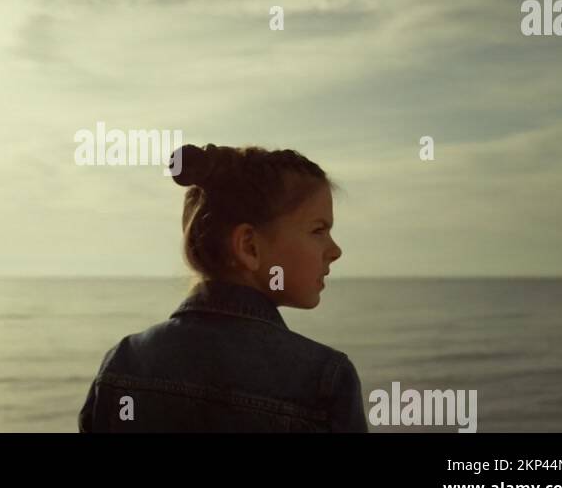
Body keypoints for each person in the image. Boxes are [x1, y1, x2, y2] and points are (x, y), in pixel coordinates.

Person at [78, 143, 368, 432]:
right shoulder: (323, 381)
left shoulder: (125, 363)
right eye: (319, 230)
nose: (335, 251)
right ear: (249, 247)